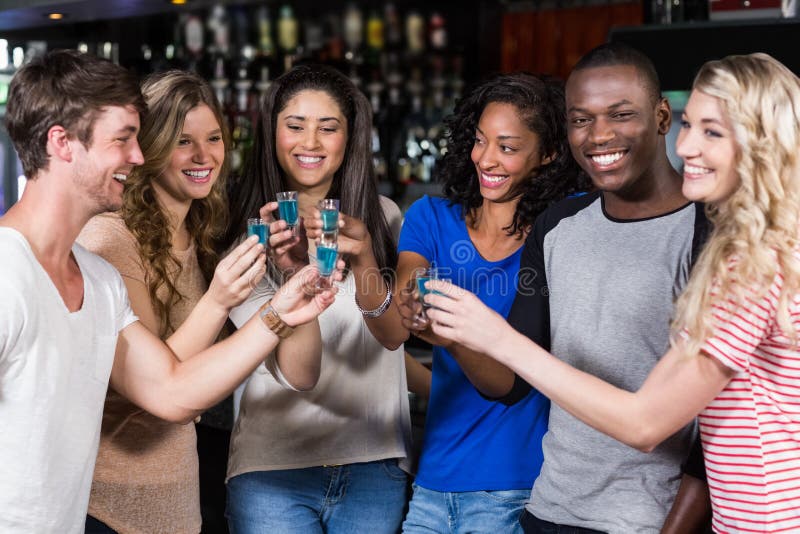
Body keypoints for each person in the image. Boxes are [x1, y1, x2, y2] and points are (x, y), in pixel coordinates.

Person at [422, 52, 800, 534]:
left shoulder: (755, 262)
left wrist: (497, 337)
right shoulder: (751, 251)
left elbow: (645, 423)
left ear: (763, 143)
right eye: (691, 126)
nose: (686, 146)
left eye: (712, 132)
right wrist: (468, 336)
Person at [0, 50, 340, 534]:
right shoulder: (9, 272)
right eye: (123, 139)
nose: (138, 156)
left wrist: (281, 309)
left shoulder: (97, 279)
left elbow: (171, 391)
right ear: (62, 143)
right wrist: (225, 301)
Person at [221, 63, 412, 533]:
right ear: (272, 133)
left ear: (350, 138)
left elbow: (393, 336)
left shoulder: (385, 218)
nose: (311, 142)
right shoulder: (248, 236)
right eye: (295, 126)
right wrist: (293, 274)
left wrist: (365, 256)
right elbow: (298, 373)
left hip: (374, 464)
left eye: (328, 128)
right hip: (273, 470)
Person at [394, 72, 586, 532]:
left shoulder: (565, 231)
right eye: (480, 141)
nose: (486, 158)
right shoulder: (430, 217)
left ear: (548, 153)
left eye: (507, 146)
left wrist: (450, 334)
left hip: (520, 485)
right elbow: (407, 288)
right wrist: (410, 301)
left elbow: (506, 381)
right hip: (433, 481)